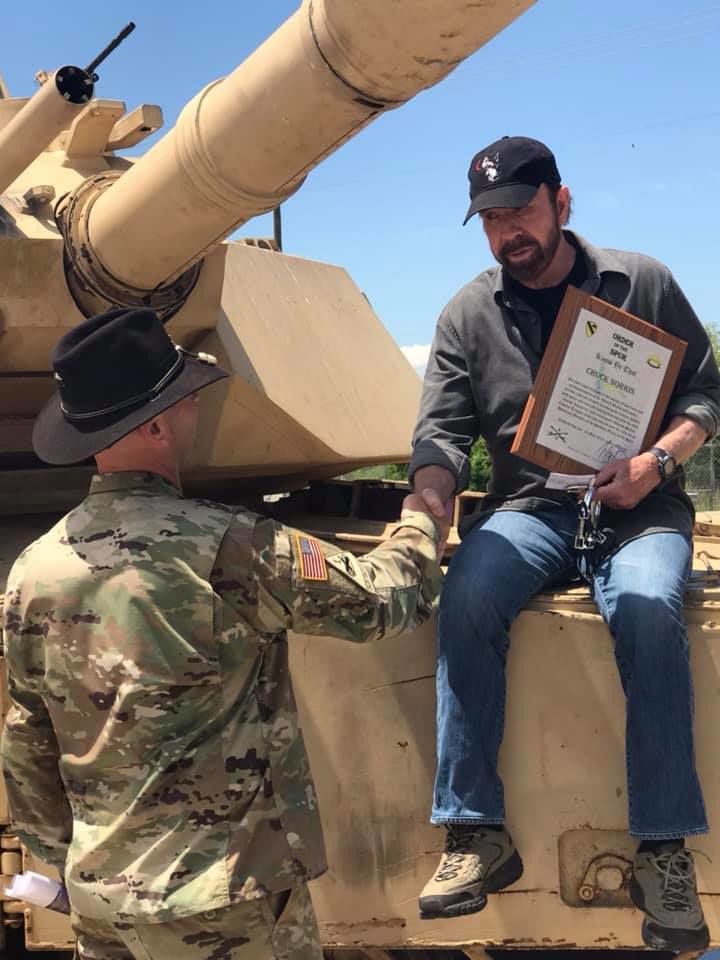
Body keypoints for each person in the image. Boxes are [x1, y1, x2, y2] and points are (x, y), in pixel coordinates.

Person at [0, 307, 448, 960]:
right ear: (155, 423)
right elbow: (384, 600)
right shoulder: (228, 545)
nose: (194, 412)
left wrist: (58, 864)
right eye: (185, 401)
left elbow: (26, 740)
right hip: (226, 906)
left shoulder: (32, 570)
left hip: (104, 908)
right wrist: (418, 522)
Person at [412, 136, 720, 952]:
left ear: (562, 201)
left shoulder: (641, 282)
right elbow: (439, 437)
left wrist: (659, 461)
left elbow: (704, 391)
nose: (506, 230)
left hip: (640, 506)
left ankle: (663, 851)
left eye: (519, 208)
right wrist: (427, 504)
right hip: (529, 506)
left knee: (652, 606)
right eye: (489, 218)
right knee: (469, 592)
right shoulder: (467, 314)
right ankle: (476, 834)